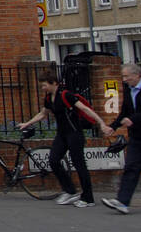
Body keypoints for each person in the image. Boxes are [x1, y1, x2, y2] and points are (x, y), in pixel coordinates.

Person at [19, 67, 110, 207]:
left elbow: (85, 109)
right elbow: (43, 113)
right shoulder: (49, 98)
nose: (43, 88)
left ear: (54, 83)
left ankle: (88, 198)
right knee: (53, 160)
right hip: (62, 134)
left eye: (44, 85)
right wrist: (27, 123)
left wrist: (101, 123)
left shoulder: (66, 95)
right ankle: (70, 190)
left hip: (75, 133)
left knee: (79, 165)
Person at [102, 63, 141, 214]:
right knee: (131, 168)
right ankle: (122, 202)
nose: (124, 79)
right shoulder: (128, 90)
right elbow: (125, 112)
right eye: (123, 76)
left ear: (137, 75)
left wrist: (133, 119)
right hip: (137, 139)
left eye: (126, 76)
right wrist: (113, 126)